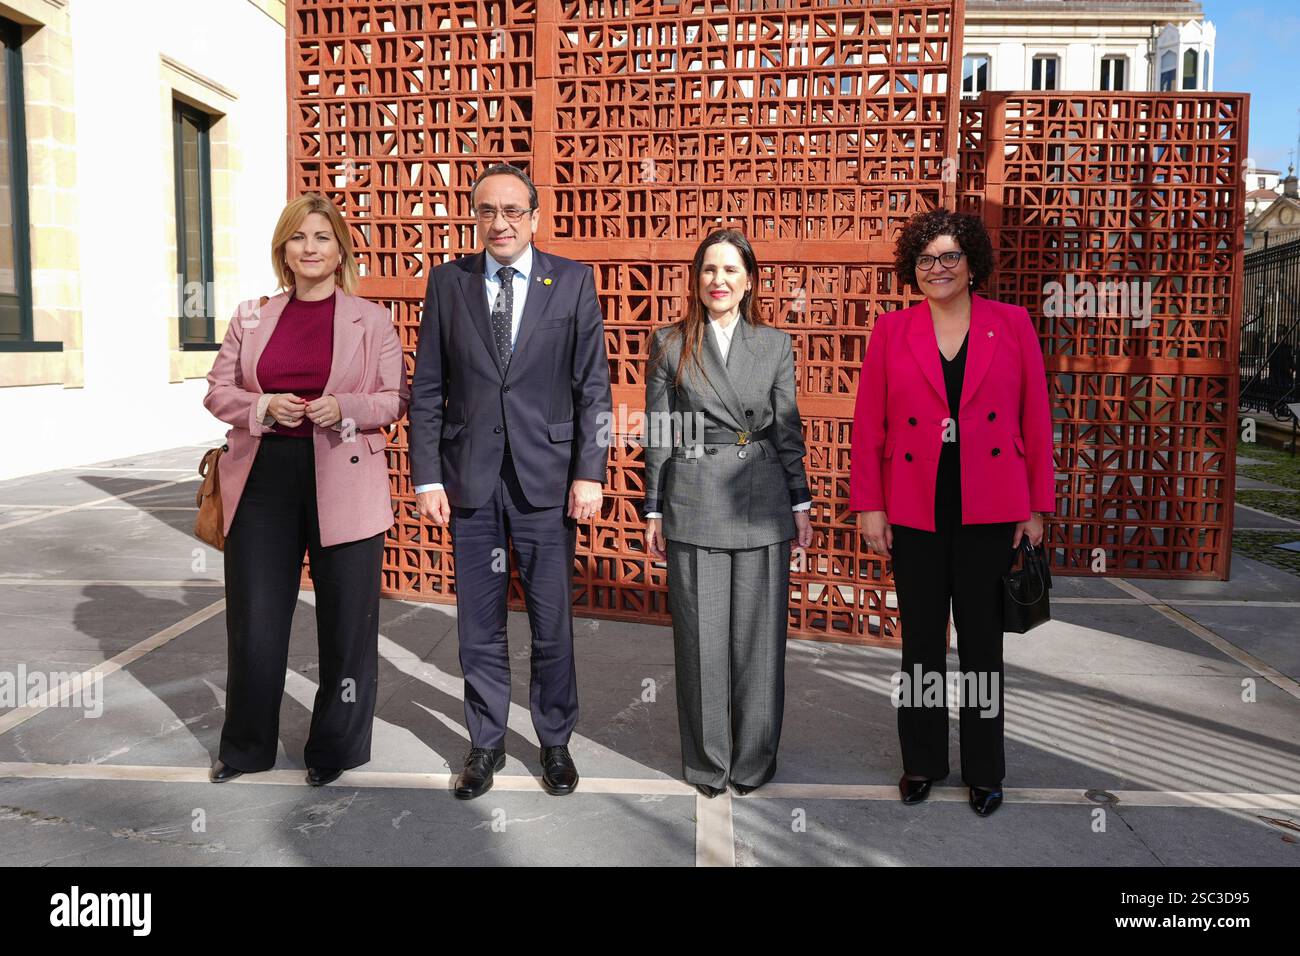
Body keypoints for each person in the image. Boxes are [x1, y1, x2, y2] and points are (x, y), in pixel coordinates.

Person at [409, 163, 612, 799]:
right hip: (469, 482)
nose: (500, 222)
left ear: (535, 216)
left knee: (552, 621)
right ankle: (485, 742)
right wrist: (426, 479)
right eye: (487, 211)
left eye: (513, 211)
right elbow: (428, 390)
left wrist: (590, 471)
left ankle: (555, 742)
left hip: (547, 483)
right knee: (478, 623)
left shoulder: (572, 281)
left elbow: (594, 390)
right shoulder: (449, 283)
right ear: (475, 217)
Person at [849, 209, 1054, 817]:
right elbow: (869, 426)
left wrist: (1036, 506)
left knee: (982, 646)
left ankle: (985, 769)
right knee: (920, 646)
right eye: (925, 259)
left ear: (972, 264)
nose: (937, 269)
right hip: (915, 507)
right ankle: (922, 763)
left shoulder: (1012, 324)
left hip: (989, 507)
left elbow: (1035, 420)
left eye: (949, 257)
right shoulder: (892, 330)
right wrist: (871, 505)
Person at [203, 193, 409, 787]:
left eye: (322, 237)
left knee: (347, 622)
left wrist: (342, 405)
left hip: (343, 473)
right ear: (283, 250)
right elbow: (217, 391)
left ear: (339, 249)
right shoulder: (252, 315)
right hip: (262, 477)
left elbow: (394, 399)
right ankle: (245, 747)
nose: (309, 248)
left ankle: (333, 749)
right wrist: (262, 404)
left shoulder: (371, 319)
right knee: (256, 620)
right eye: (298, 237)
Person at [642, 229, 814, 799]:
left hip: (762, 498)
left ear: (749, 281)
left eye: (731, 270)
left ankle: (755, 759)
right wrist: (653, 510)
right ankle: (707, 763)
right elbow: (661, 434)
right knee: (700, 638)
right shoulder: (670, 343)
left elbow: (787, 429)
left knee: (759, 641)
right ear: (697, 280)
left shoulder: (774, 344)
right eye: (709, 270)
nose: (719, 280)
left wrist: (801, 503)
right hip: (693, 499)